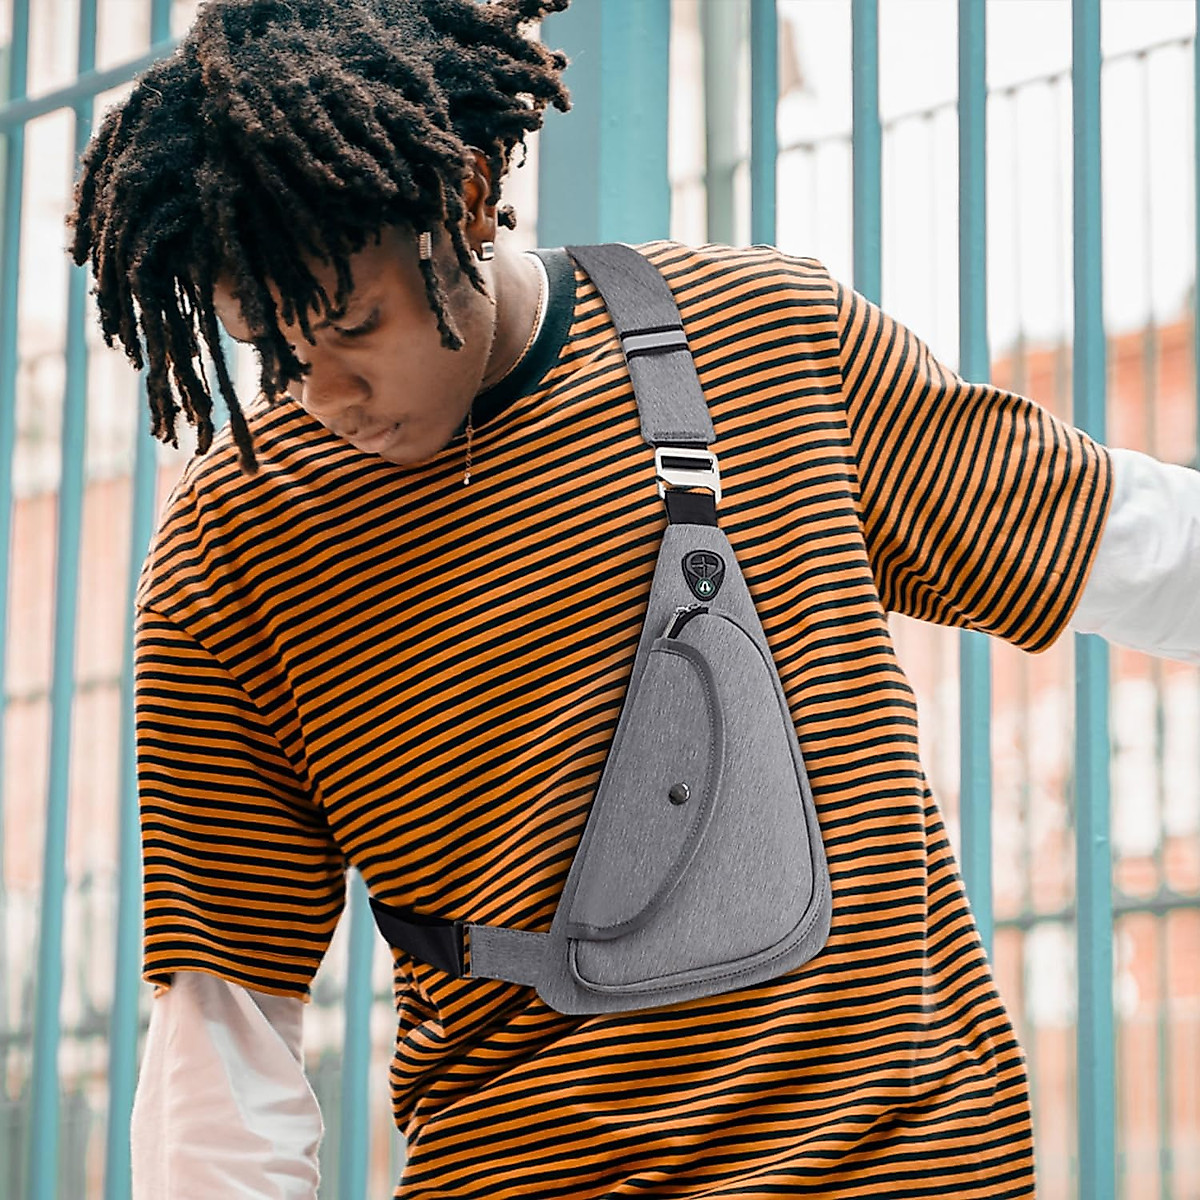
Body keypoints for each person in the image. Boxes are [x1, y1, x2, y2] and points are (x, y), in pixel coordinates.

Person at [67, 0, 1200, 1196]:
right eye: (273, 348)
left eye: (354, 325)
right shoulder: (239, 534)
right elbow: (223, 1015)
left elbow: (1124, 540)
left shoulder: (768, 339)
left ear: (467, 197)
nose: (322, 391)